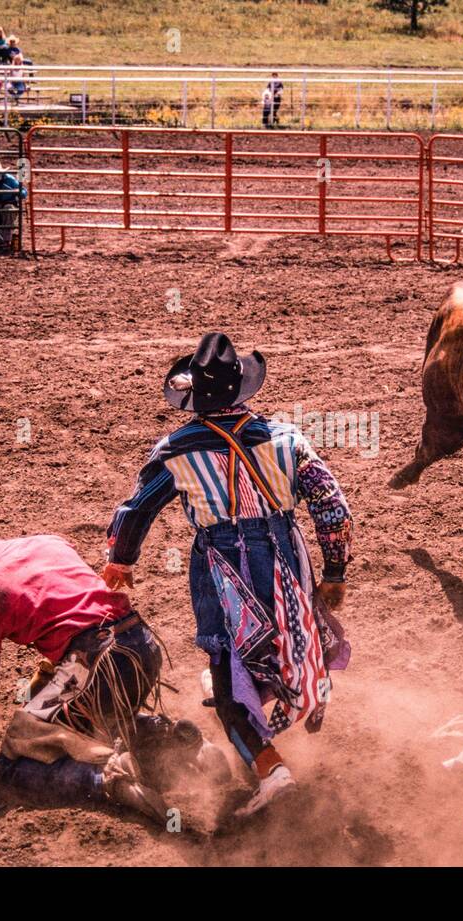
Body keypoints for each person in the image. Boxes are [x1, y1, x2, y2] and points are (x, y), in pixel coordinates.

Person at [103, 332, 353, 817]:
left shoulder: (175, 450)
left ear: (194, 397)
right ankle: (283, 707)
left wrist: (121, 561)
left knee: (225, 662)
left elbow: (136, 512)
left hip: (221, 566)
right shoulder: (286, 438)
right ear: (244, 390)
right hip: (285, 558)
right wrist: (335, 571)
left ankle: (270, 769)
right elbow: (331, 505)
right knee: (289, 636)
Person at [0, 502, 228, 823]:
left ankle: (109, 780)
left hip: (95, 663)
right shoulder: (46, 542)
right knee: (97, 717)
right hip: (141, 642)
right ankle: (181, 742)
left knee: (15, 761)